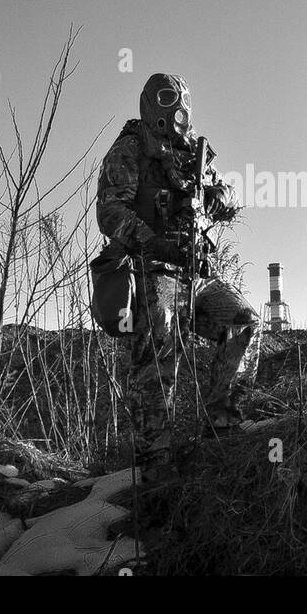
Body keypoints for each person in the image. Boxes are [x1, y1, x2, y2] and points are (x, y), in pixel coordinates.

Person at [95, 72, 262, 472]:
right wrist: (151, 240)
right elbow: (110, 211)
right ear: (152, 104)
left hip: (197, 272)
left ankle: (221, 426)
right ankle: (156, 456)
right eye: (168, 98)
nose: (177, 108)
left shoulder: (194, 154)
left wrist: (222, 198)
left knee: (244, 321)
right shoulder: (129, 151)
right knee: (159, 339)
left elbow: (228, 195)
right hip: (153, 269)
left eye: (181, 99)